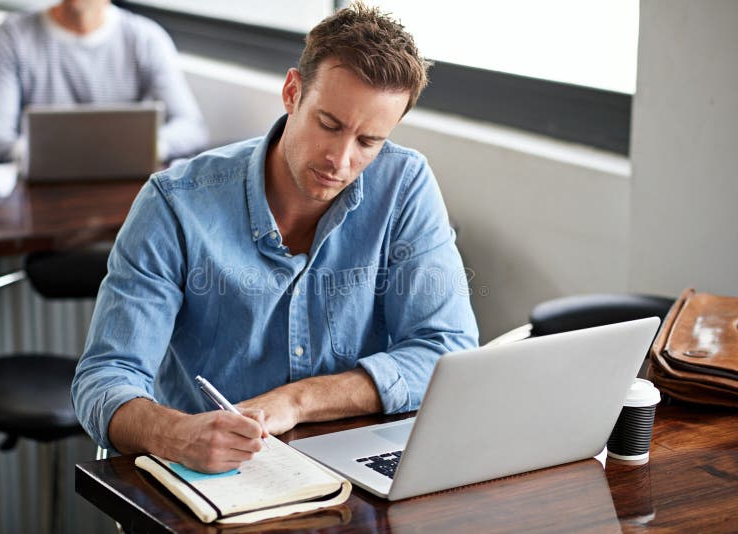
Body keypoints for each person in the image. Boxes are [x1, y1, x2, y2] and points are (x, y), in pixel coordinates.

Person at [72, 2, 478, 474]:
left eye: (369, 141)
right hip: (214, 471)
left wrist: (299, 401)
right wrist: (177, 433)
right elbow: (104, 377)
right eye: (329, 125)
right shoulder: (175, 203)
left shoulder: (405, 184)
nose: (340, 160)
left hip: (353, 468)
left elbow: (447, 350)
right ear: (292, 92)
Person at [0, 0, 207, 163]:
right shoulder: (11, 36)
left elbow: (191, 126)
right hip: (38, 197)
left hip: (124, 197)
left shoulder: (145, 38)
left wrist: (144, 150)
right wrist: (37, 155)